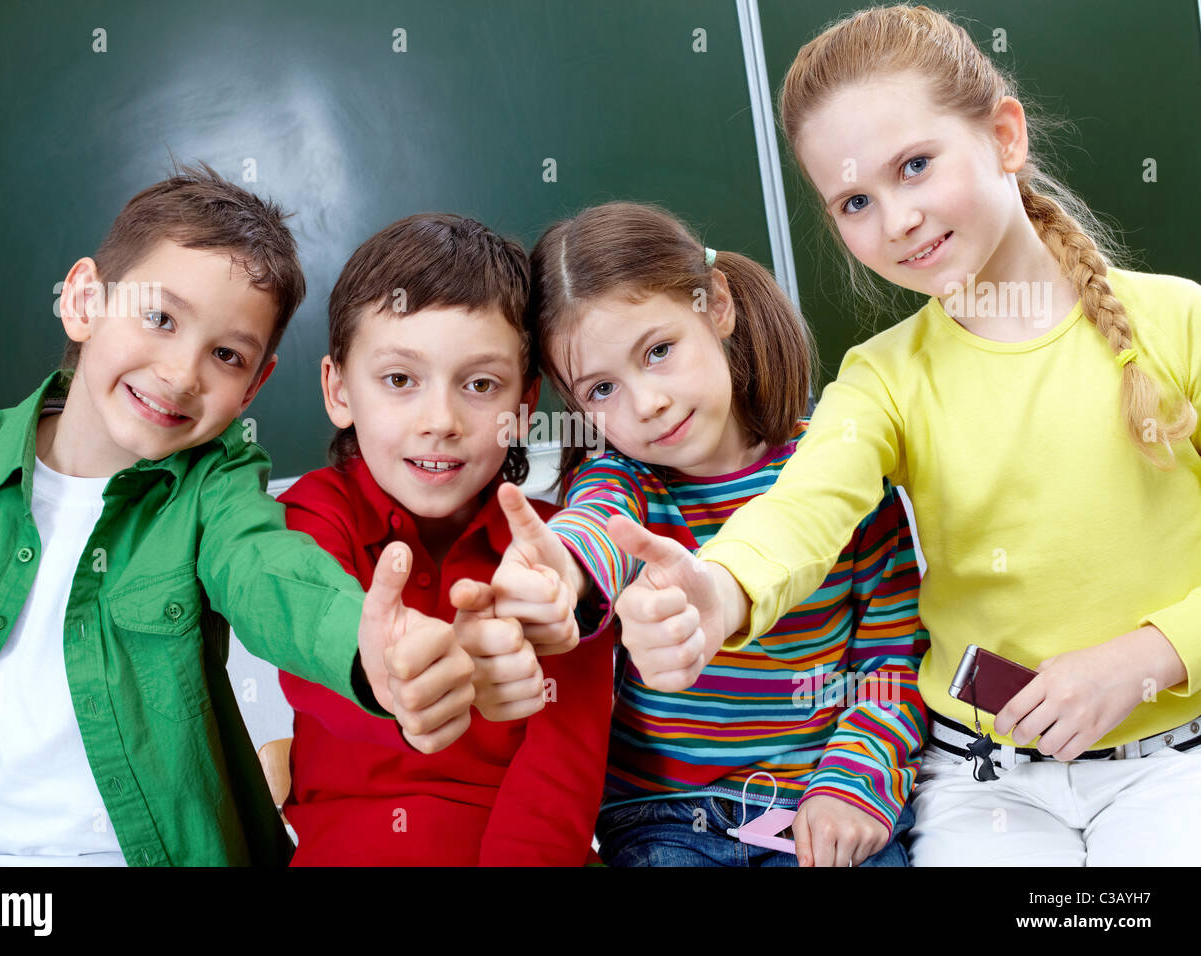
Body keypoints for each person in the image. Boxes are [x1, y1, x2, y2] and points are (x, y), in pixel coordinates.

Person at [610, 5, 1201, 865]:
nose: (896, 222)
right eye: (855, 200)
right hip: (985, 780)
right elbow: (803, 511)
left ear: (1005, 136)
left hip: (1172, 763)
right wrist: (721, 587)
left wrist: (1150, 656)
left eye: (916, 165)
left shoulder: (1178, 322)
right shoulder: (884, 377)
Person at [0, 164, 472, 866]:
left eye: (226, 355)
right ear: (84, 300)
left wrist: (365, 645)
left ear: (254, 386)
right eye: (159, 317)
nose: (180, 373)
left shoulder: (215, 480)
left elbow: (266, 570)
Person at [485, 201, 927, 866]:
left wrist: (851, 787)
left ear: (716, 304)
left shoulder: (839, 474)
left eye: (659, 351)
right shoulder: (621, 485)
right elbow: (590, 536)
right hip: (663, 819)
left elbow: (891, 665)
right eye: (602, 389)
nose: (646, 403)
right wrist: (559, 575)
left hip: (817, 805)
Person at [277, 213, 613, 865]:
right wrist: (388, 676)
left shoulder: (561, 548)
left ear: (525, 403)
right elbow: (309, 639)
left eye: (480, 385)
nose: (441, 422)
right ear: (339, 390)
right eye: (400, 379)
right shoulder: (312, 515)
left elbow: (561, 770)